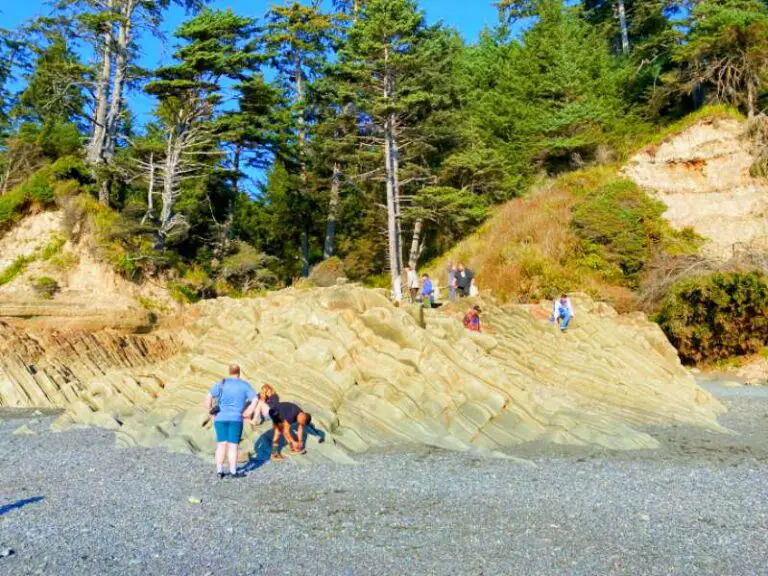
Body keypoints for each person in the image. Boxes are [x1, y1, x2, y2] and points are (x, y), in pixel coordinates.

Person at [205, 365, 258, 479]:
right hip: (236, 419)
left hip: (220, 418)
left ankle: (219, 471)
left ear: (229, 372)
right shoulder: (244, 385)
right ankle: (233, 472)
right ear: (239, 372)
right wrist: (249, 411)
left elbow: (209, 396)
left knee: (221, 444)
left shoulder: (222, 383)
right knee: (233, 446)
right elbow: (255, 399)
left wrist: (209, 408)